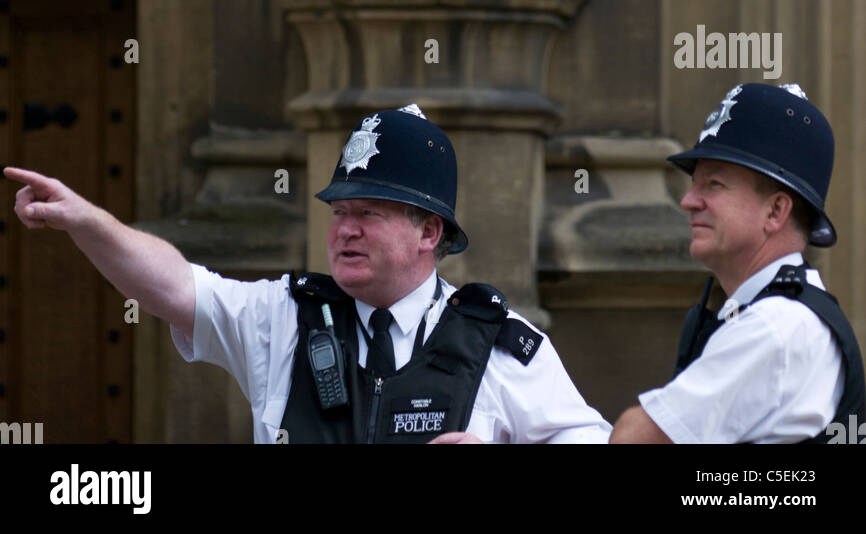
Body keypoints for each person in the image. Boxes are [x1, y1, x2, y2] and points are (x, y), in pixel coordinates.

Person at [5, 102, 610, 444]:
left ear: (430, 233)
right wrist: (87, 221)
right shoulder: (284, 317)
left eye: (367, 214)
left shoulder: (494, 339)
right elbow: (172, 286)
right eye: (339, 211)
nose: (345, 229)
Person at [610, 81, 866, 444]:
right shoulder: (774, 315)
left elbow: (635, 439)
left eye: (714, 184)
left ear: (775, 211)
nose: (689, 201)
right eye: (694, 183)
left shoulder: (776, 326)